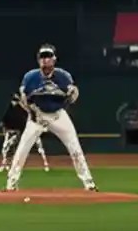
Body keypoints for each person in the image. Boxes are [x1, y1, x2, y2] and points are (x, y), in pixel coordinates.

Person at [5, 44, 96, 191]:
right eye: (43, 57)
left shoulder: (63, 76)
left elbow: (73, 94)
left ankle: (89, 183)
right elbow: (23, 98)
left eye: (48, 57)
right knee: (22, 150)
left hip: (58, 115)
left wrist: (72, 96)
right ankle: (11, 184)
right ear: (38, 60)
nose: (45, 61)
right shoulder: (30, 77)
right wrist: (31, 111)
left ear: (54, 59)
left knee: (75, 148)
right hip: (38, 116)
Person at [0, 91, 49, 172]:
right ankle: (5, 163)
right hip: (20, 131)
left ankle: (45, 163)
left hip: (33, 130)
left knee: (39, 147)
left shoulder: (32, 111)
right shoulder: (14, 110)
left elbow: (27, 108)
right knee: (7, 147)